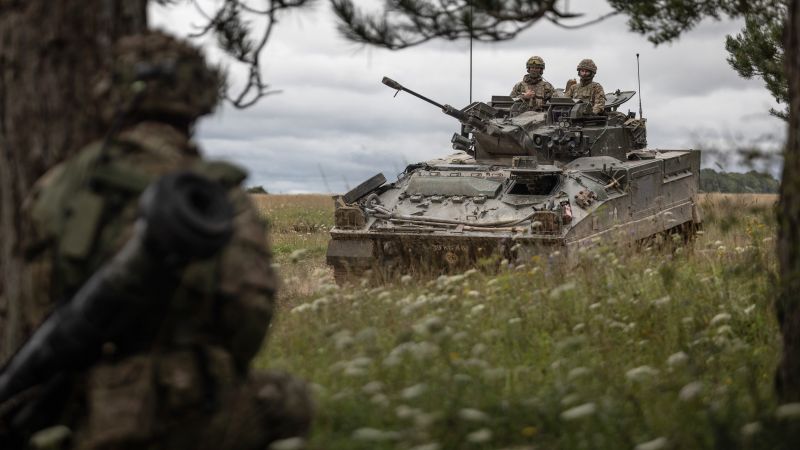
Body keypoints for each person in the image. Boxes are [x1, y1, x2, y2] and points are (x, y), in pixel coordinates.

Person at [2, 31, 312, 450]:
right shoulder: (215, 194)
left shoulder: (58, 186)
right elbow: (248, 319)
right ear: (199, 95)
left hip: (75, 409)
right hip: (196, 407)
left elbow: (32, 303)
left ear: (109, 90)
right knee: (289, 402)